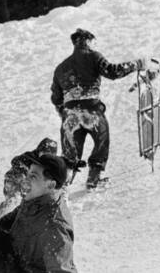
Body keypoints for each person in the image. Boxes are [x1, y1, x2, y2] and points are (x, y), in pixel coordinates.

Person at [51, 28, 149, 188]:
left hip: (70, 114)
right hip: (91, 109)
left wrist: (63, 112)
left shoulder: (61, 67)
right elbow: (112, 71)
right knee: (101, 140)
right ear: (88, 41)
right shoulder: (93, 56)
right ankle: (93, 179)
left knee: (70, 155)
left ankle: (61, 188)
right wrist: (136, 64)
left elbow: (56, 98)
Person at [0, 137, 58, 218]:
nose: (44, 157)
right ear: (39, 151)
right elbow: (16, 161)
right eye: (43, 153)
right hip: (13, 180)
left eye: (48, 155)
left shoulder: (49, 164)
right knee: (14, 200)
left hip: (24, 183)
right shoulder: (29, 158)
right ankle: (0, 217)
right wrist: (24, 173)